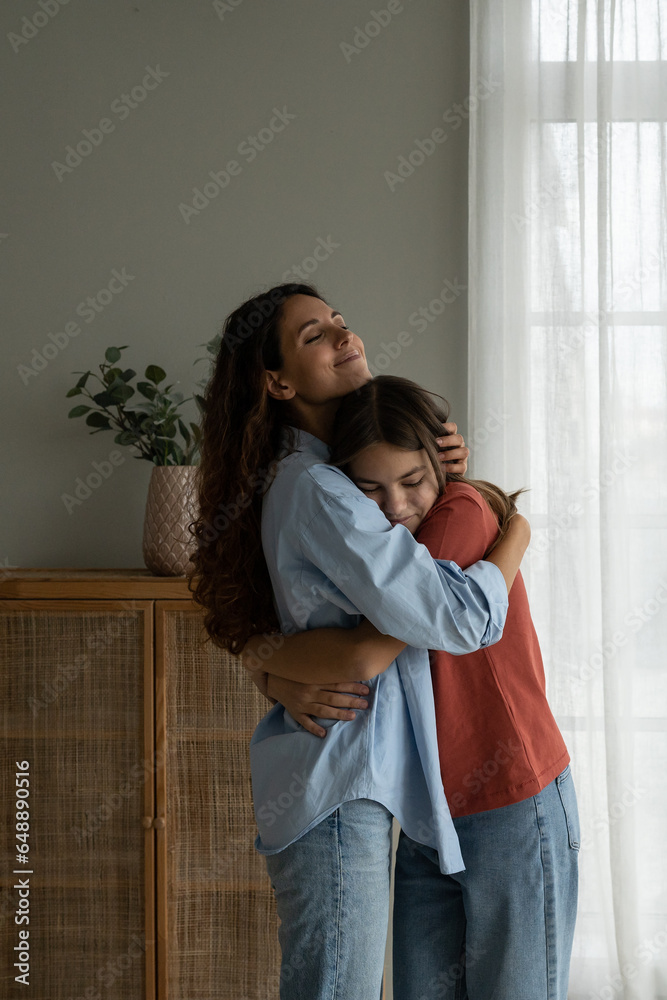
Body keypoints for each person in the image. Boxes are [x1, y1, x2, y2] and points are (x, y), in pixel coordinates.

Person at [189, 282, 530, 1000]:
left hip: (339, 774)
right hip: (339, 778)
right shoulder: (320, 489)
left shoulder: (336, 473)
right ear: (278, 382)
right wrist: (516, 529)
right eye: (314, 335)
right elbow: (458, 618)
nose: (346, 337)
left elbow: (337, 625)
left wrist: (444, 470)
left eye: (340, 322)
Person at [245, 375, 579, 1000]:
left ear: (439, 462)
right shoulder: (372, 539)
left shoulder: (456, 514)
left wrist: (517, 529)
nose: (394, 505)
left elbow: (369, 650)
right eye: (370, 488)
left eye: (412, 480)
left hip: (511, 798)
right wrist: (264, 667)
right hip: (430, 812)